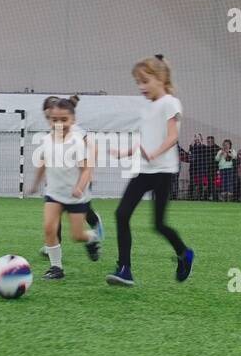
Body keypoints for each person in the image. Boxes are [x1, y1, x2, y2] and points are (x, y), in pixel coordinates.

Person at [106, 55, 194, 287]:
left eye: (145, 81)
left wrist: (155, 153)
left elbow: (173, 136)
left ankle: (184, 253)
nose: (141, 87)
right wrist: (124, 152)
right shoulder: (147, 108)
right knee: (122, 214)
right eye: (138, 82)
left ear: (160, 78)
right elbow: (145, 142)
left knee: (158, 224)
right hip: (144, 171)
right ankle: (124, 269)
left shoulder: (170, 103)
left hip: (164, 172)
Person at [27, 96, 101, 279]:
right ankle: (56, 268)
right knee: (49, 229)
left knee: (77, 236)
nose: (59, 123)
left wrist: (80, 187)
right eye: (54, 120)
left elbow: (86, 169)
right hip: (54, 194)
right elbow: (43, 163)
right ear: (48, 120)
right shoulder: (46, 140)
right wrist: (35, 184)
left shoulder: (76, 142)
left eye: (64, 119)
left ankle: (91, 238)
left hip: (76, 196)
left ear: (73, 120)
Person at [187, 134, 206, 200]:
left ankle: (200, 196)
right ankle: (190, 196)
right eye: (196, 138)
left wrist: (201, 143)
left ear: (201, 139)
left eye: (199, 138)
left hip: (200, 167)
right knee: (192, 182)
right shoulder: (191, 146)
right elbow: (189, 154)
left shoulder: (204, 147)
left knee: (200, 182)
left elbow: (204, 154)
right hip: (193, 167)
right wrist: (191, 145)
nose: (197, 139)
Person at [204, 135, 221, 201]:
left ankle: (215, 197)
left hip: (215, 169)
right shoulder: (205, 148)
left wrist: (218, 169)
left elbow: (219, 159)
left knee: (214, 183)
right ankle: (208, 196)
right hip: (207, 169)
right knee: (209, 183)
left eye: (210, 141)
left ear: (213, 141)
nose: (209, 143)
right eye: (208, 141)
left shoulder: (217, 148)